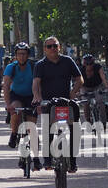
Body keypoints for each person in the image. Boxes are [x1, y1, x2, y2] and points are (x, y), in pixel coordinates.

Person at [32, 36, 83, 172]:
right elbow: (36, 84)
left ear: (59, 47)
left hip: (67, 101)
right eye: (49, 46)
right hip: (49, 103)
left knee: (75, 130)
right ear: (45, 49)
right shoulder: (40, 65)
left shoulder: (68, 61)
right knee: (47, 130)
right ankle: (47, 160)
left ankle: (72, 161)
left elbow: (80, 79)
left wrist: (73, 93)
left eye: (55, 46)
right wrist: (37, 98)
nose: (53, 48)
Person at [2, 42, 37, 165]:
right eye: (19, 54)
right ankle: (14, 133)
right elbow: (6, 85)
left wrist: (39, 101)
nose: (22, 56)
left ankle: (36, 158)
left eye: (24, 54)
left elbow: (39, 84)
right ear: (15, 55)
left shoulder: (34, 66)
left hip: (31, 96)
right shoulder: (11, 67)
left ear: (28, 55)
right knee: (16, 110)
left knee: (32, 128)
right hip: (16, 95)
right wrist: (8, 105)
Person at [79, 56, 108, 123]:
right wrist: (78, 92)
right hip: (85, 87)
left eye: (91, 63)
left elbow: (103, 77)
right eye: (87, 64)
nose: (89, 65)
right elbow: (79, 82)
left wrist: (107, 87)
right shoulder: (81, 70)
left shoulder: (98, 67)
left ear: (94, 63)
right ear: (84, 64)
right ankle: (88, 120)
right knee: (85, 103)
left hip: (97, 87)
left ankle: (104, 121)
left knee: (100, 102)